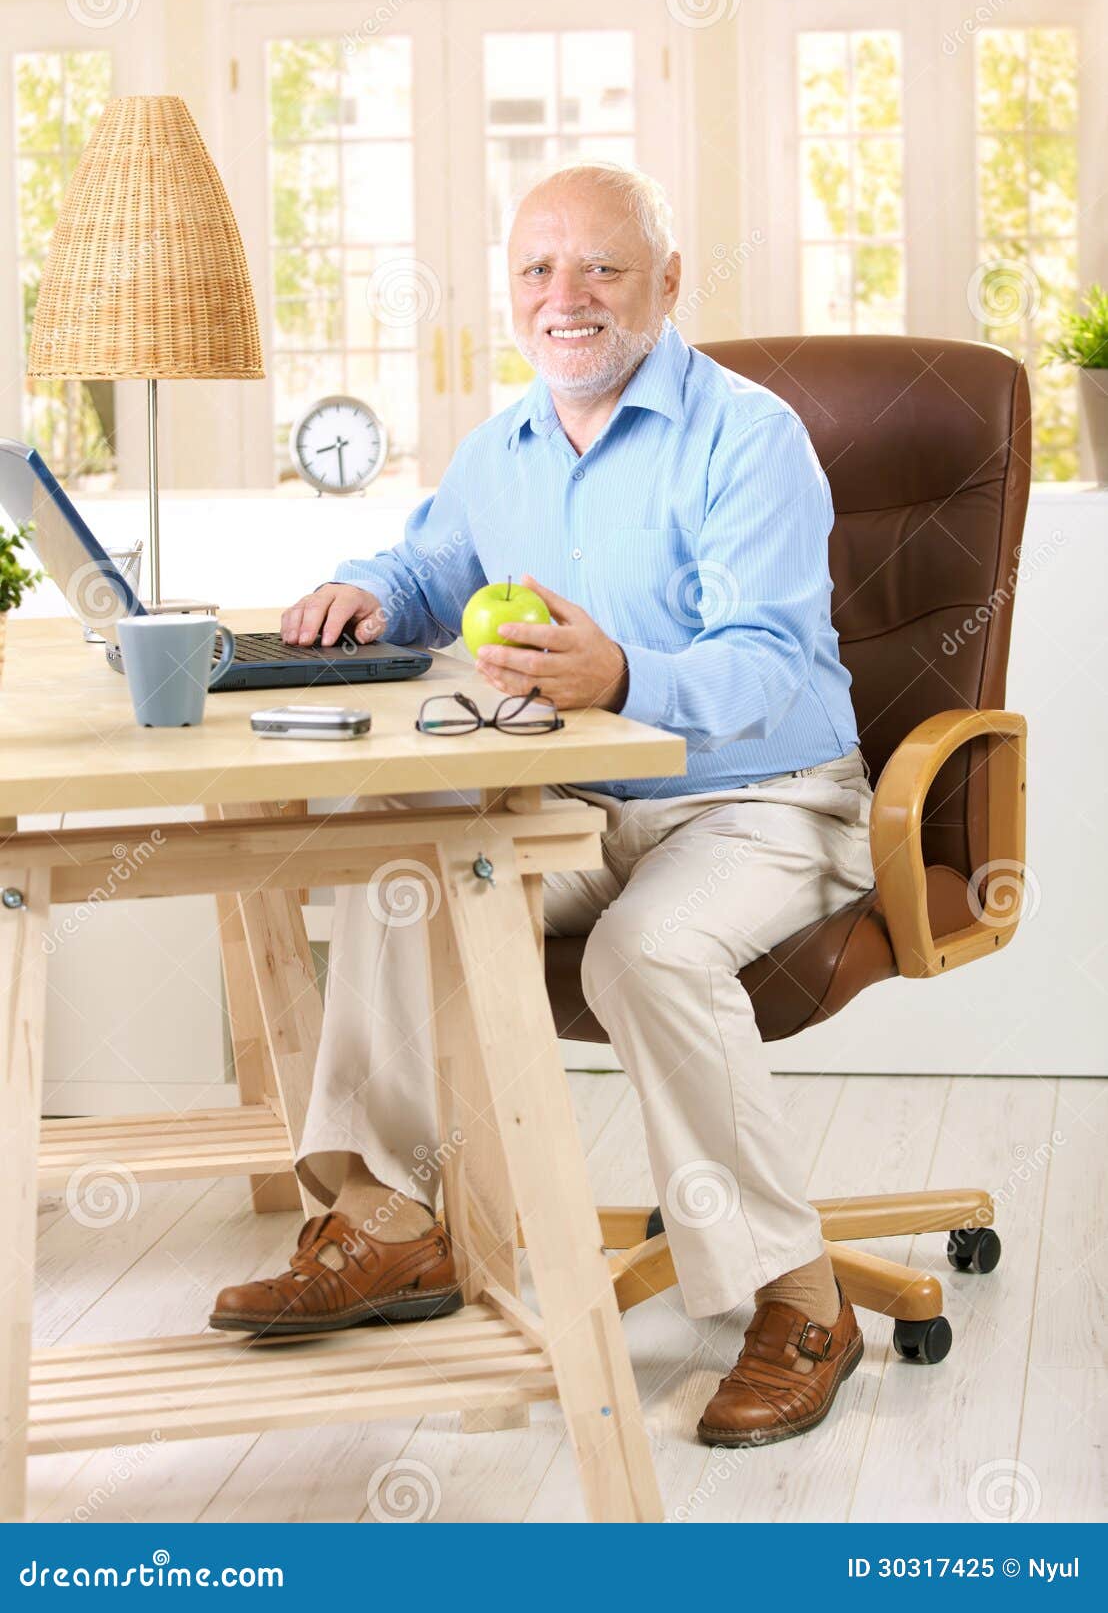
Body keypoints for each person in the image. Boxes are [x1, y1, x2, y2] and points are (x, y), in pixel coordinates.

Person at [211, 161, 873, 1448]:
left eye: (601, 268)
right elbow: (423, 562)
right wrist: (361, 592)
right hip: (575, 797)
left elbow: (767, 661)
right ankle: (396, 1226)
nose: (563, 297)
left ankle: (799, 1296)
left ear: (666, 285)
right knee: (408, 873)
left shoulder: (749, 438)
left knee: (647, 948)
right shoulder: (503, 446)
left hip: (761, 795)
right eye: (535, 269)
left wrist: (625, 671)